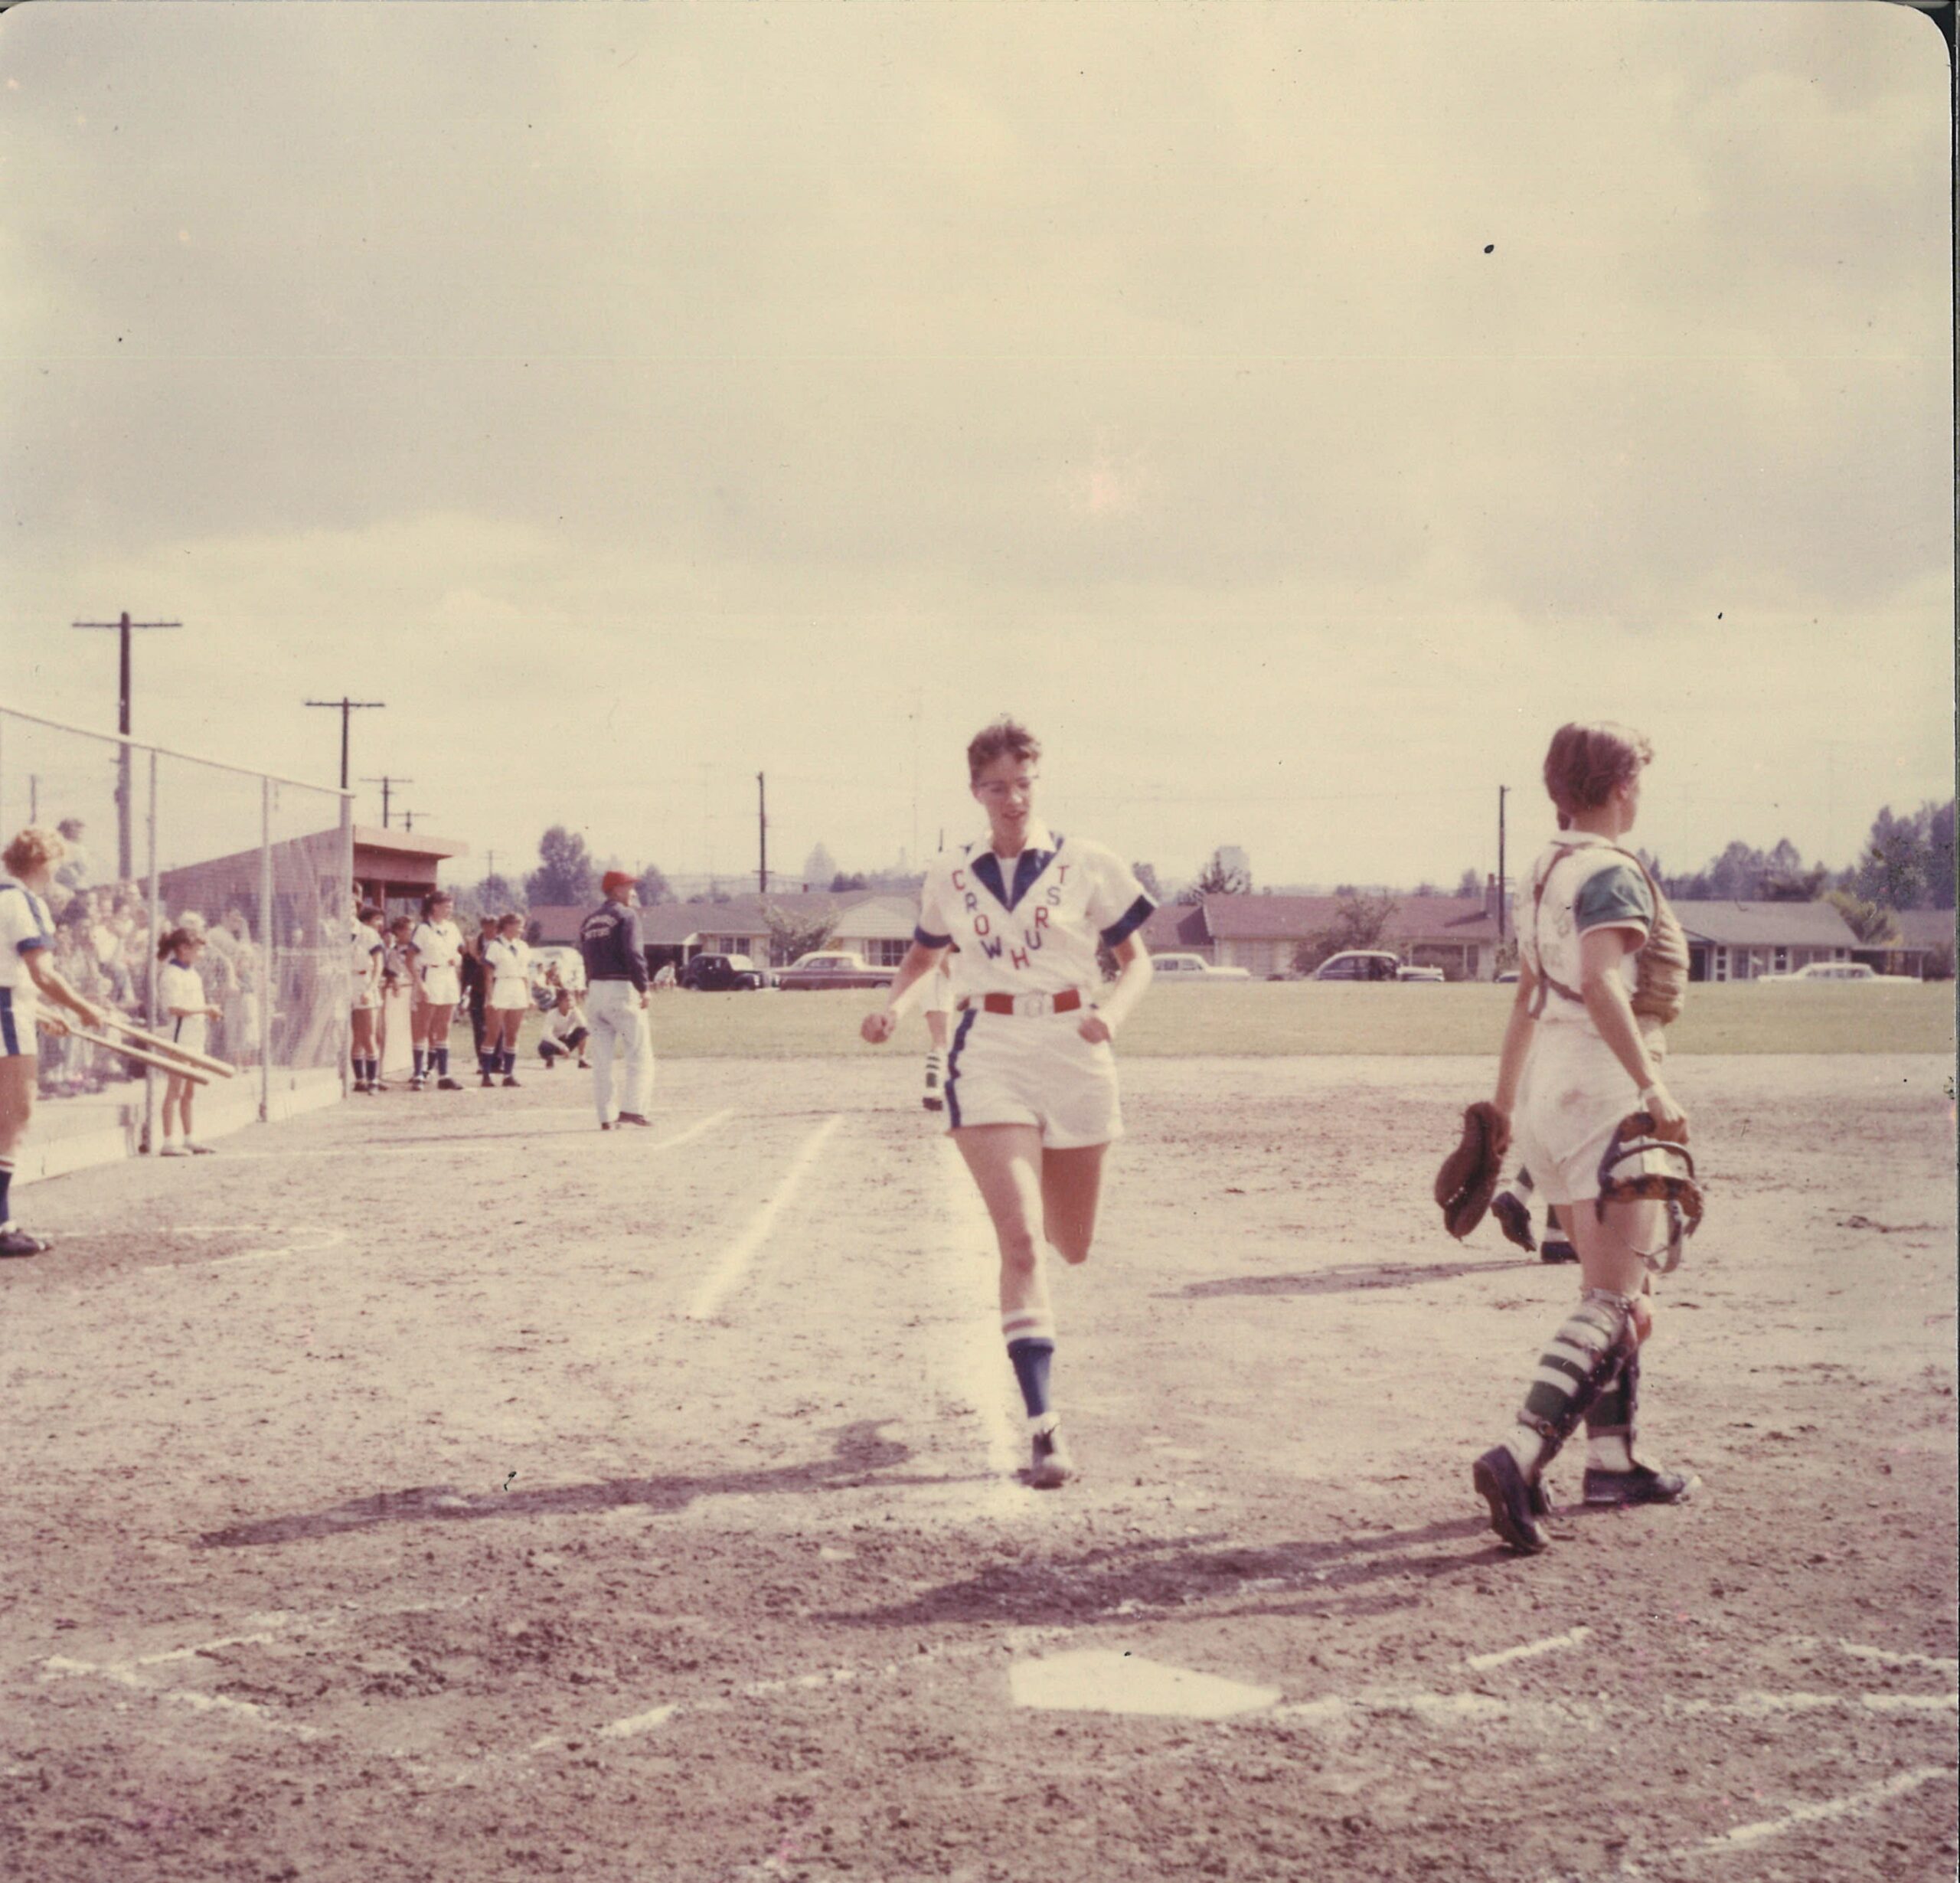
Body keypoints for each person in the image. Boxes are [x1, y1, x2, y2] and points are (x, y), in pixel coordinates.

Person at [861, 718, 1156, 1488]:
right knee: (1021, 1240)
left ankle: (1038, 1292)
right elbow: (922, 958)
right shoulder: (950, 873)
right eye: (996, 786)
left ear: (1037, 783)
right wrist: (894, 1009)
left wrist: (1112, 1016)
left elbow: (1138, 962)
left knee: (1072, 1243)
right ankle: (1045, 1427)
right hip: (988, 1049)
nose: (1012, 799)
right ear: (975, 792)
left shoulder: (1088, 862)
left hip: (1076, 1050)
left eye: (1023, 783)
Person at [1472, 722, 1698, 1554]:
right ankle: (1519, 1454)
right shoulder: (1608, 869)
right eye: (1637, 780)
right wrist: (1651, 1085)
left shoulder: (1543, 868)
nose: (1640, 794)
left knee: (1616, 1293)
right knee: (1617, 1303)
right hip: (1604, 1090)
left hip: (1551, 1091)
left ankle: (1613, 1460)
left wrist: (1504, 1109)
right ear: (1617, 787)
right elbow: (1602, 981)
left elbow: (1526, 998)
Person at [0, 828, 105, 1254]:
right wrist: (84, 1008)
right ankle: (2, 1226)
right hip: (7, 1013)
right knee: (16, 1114)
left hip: (13, 1006)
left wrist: (41, 1013)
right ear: (43, 862)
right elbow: (41, 973)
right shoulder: (23, 901)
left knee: (7, 1116)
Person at [579, 871, 654, 1128]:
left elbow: (587, 959)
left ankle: (606, 1117)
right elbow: (634, 953)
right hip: (620, 988)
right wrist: (643, 987)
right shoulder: (626, 915)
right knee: (639, 1052)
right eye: (630, 887)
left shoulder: (589, 920)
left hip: (595, 990)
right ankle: (633, 1109)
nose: (634, 892)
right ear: (618, 889)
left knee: (601, 1060)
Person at [155, 927, 222, 1155]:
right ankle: (168, 1141)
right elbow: (174, 1007)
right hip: (180, 1038)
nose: (202, 954)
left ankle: (189, 1138)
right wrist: (206, 1009)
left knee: (190, 1092)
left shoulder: (192, 973)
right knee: (175, 1090)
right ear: (184, 949)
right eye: (198, 949)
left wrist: (208, 1012)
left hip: (196, 1037)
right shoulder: (171, 974)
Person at [410, 891, 466, 1090]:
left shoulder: (452, 928)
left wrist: (457, 959)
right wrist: (420, 984)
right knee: (423, 1028)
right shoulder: (423, 929)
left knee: (444, 1028)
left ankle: (444, 1075)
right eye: (446, 906)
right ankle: (418, 1073)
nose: (450, 910)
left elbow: (460, 952)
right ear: (434, 907)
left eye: (451, 906)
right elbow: (410, 959)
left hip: (448, 977)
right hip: (430, 976)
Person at [480, 913, 532, 1087]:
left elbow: (526, 974)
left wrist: (529, 996)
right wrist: (489, 998)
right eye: (519, 925)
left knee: (513, 1034)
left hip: (518, 987)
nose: (522, 929)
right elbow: (488, 975)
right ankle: (486, 1075)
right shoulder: (495, 945)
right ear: (508, 926)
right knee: (493, 1033)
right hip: (501, 986)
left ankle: (508, 1074)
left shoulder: (523, 946)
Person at [350, 903, 387, 1093]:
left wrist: (370, 989)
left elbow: (379, 965)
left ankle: (373, 1080)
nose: (347, 910)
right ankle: (360, 1080)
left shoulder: (368, 933)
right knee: (356, 1036)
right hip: (345, 983)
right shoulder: (337, 933)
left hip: (364, 982)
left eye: (351, 907)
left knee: (368, 1035)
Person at [462, 912, 498, 1080]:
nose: (491, 930)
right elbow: (466, 969)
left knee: (498, 1026)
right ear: (483, 927)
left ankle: (497, 1061)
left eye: (494, 927)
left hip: (497, 988)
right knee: (479, 1027)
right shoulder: (474, 944)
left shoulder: (501, 944)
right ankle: (482, 1062)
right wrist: (464, 990)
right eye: (487, 926)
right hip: (478, 989)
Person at [920, 951, 954, 1111]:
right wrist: (958, 984)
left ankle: (934, 1089)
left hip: (939, 979)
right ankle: (932, 1092)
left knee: (943, 1039)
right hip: (937, 978)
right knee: (941, 1038)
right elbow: (940, 955)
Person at [537, 988, 592, 1070]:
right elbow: (546, 1035)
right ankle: (550, 1060)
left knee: (584, 1031)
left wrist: (576, 1010)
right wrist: (562, 1046)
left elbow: (584, 1025)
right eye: (567, 1001)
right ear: (559, 1002)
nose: (570, 1003)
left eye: (572, 1000)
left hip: (567, 1040)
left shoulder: (574, 1011)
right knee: (544, 1046)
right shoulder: (552, 1014)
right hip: (554, 1043)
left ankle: (582, 1059)